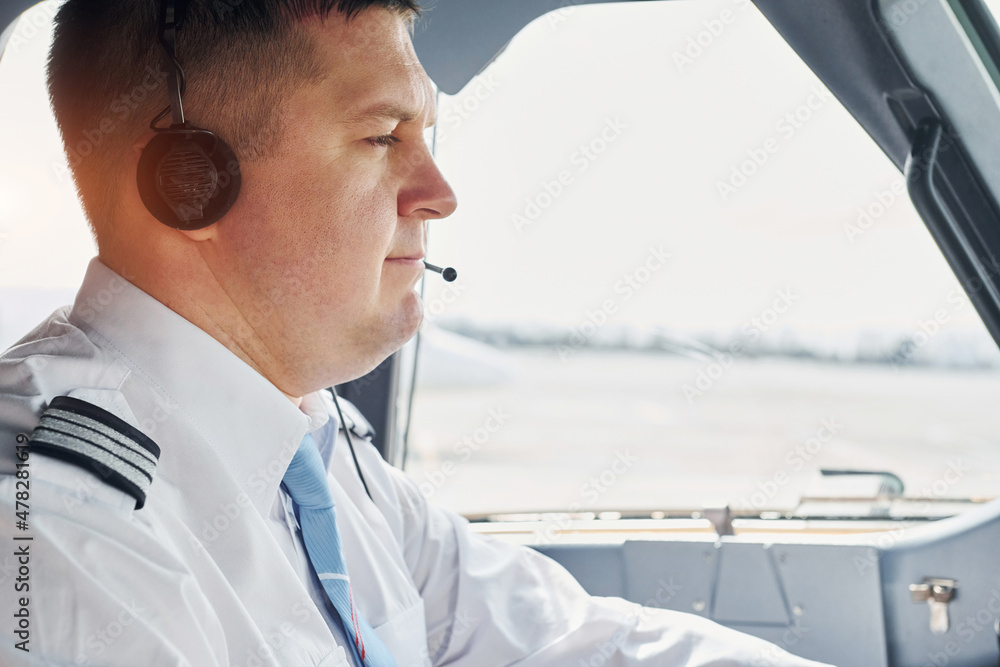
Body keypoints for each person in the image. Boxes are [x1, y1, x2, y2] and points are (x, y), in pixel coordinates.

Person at [0, 1, 836, 665]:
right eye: (380, 136)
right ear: (188, 185)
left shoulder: (314, 448)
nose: (438, 192)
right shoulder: (59, 532)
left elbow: (559, 640)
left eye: (422, 136)